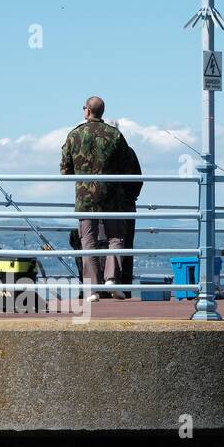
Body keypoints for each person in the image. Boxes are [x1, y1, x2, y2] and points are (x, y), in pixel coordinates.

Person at [60, 96, 130, 302]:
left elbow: (65, 169)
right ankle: (111, 280)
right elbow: (126, 166)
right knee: (116, 237)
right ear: (102, 112)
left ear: (87, 111)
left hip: (84, 197)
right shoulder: (114, 134)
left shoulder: (74, 135)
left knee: (87, 241)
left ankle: (91, 289)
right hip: (111, 195)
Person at [116, 143, 144, 296]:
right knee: (125, 246)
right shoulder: (128, 152)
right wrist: (130, 197)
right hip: (127, 205)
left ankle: (100, 287)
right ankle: (125, 287)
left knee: (100, 245)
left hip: (101, 205)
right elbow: (138, 181)